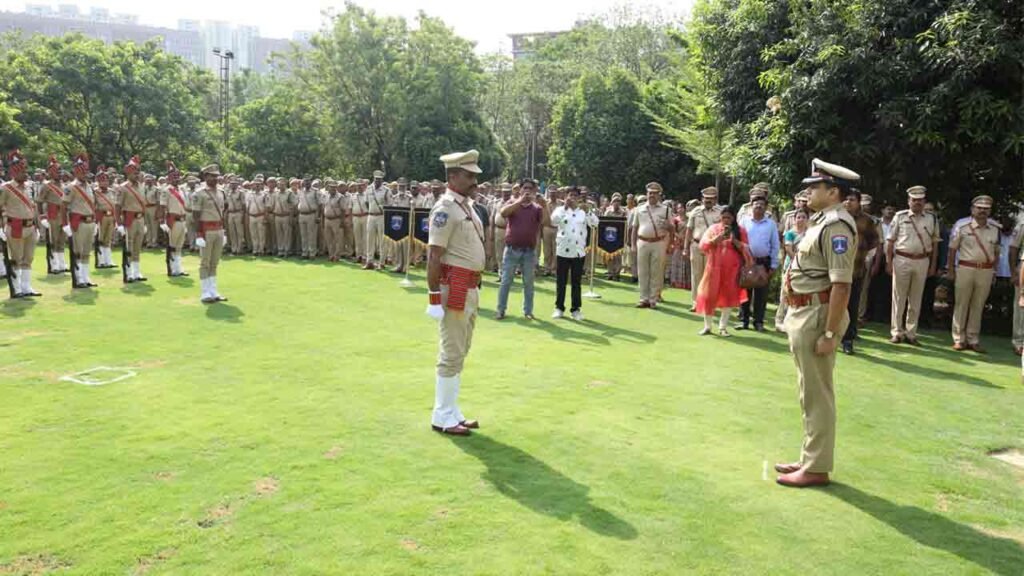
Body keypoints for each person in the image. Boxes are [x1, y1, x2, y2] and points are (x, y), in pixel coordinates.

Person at [775, 158, 859, 489]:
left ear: (833, 191)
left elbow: (842, 284)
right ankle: (810, 457)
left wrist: (829, 332)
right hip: (804, 312)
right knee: (808, 391)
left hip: (817, 315)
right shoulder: (822, 220)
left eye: (815, 187)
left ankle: (817, 467)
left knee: (817, 393)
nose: (808, 192)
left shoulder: (837, 225)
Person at [425, 149, 486, 437]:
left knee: (462, 350)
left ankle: (452, 409)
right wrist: (434, 296)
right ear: (453, 176)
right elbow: (434, 255)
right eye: (469, 175)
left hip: (471, 285)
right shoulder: (445, 208)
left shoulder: (466, 206)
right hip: (456, 286)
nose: (475, 180)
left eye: (475, 175)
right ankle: (442, 415)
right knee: (451, 351)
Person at [886, 186, 939, 345]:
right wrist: (889, 262)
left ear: (924, 201)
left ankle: (911, 333)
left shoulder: (932, 219)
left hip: (922, 260)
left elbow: (935, 244)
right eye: (914, 200)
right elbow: (890, 241)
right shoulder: (900, 216)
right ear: (909, 201)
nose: (917, 203)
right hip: (902, 259)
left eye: (920, 200)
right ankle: (896, 332)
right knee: (899, 298)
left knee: (916, 299)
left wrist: (933, 265)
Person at [948, 195, 1000, 352]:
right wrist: (950, 269)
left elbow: (997, 252)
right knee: (961, 304)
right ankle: (959, 339)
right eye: (979, 208)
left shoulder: (995, 228)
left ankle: (973, 339)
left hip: (985, 270)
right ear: (972, 209)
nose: (982, 211)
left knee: (978, 305)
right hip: (965, 268)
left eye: (986, 209)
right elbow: (952, 249)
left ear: (990, 211)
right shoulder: (962, 226)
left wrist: (994, 271)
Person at [695, 206, 751, 336]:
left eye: (729, 218)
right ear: (720, 217)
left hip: (733, 268)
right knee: (709, 294)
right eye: (724, 217)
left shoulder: (740, 230)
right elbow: (703, 245)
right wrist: (716, 239)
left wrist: (735, 240)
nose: (726, 220)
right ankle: (707, 326)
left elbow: (746, 248)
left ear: (733, 218)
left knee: (728, 295)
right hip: (714, 266)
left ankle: (723, 327)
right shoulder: (713, 229)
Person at [495, 178, 545, 320]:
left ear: (534, 191)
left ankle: (528, 311)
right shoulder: (512, 203)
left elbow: (546, 222)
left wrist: (544, 205)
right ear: (520, 190)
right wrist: (519, 201)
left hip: (529, 251)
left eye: (530, 188)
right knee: (506, 281)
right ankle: (501, 310)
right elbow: (503, 213)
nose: (527, 191)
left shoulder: (537, 208)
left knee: (528, 283)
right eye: (525, 188)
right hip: (511, 249)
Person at [839, 190, 880, 354]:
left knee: (852, 305)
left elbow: (874, 241)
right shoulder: (837, 217)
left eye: (852, 200)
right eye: (846, 199)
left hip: (856, 269)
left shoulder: (867, 221)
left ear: (859, 202)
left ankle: (848, 340)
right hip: (836, 268)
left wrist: (859, 251)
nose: (848, 202)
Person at [549, 187, 598, 320]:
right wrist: (565, 207)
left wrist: (588, 212)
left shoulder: (584, 211)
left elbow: (595, 223)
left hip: (578, 251)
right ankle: (559, 307)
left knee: (576, 282)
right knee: (561, 281)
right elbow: (553, 221)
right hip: (563, 250)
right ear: (565, 196)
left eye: (575, 196)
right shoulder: (560, 210)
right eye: (570, 195)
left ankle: (575, 309)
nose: (572, 198)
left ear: (579, 198)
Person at [0, 149, 42, 298]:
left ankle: (26, 287)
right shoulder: (5, 188)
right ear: (14, 172)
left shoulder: (29, 187)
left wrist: (37, 226)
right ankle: (16, 288)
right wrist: (0, 229)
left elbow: (33, 207)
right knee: (16, 259)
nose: (26, 173)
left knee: (28, 258)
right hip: (15, 226)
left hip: (30, 226)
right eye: (22, 171)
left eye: (26, 170)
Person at [737, 197, 779, 331]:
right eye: (756, 204)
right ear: (751, 206)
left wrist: (773, 265)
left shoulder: (771, 224)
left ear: (766, 208)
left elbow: (775, 245)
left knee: (761, 293)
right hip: (746, 260)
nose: (758, 206)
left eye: (762, 204)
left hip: (763, 262)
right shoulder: (744, 221)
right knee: (745, 291)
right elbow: (737, 241)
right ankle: (744, 320)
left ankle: (758, 322)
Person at [632, 182, 674, 308]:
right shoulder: (639, 209)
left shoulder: (666, 210)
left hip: (659, 242)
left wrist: (670, 242)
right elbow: (634, 227)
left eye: (655, 194)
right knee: (642, 271)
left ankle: (653, 298)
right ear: (647, 194)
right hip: (643, 241)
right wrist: (633, 245)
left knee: (657, 271)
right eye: (650, 193)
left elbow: (672, 228)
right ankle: (643, 298)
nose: (652, 196)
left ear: (659, 195)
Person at [63, 153, 98, 289]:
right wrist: (66, 224)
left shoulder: (90, 186)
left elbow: (93, 205)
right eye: (81, 171)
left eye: (85, 171)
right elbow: (63, 206)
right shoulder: (70, 187)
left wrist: (95, 222)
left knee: (86, 252)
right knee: (77, 251)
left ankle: (85, 277)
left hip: (90, 222)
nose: (84, 174)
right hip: (79, 223)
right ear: (76, 172)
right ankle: (78, 278)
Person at [193, 164, 228, 303]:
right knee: (205, 262)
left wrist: (223, 231)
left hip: (218, 229)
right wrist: (199, 234)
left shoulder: (221, 192)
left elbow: (222, 213)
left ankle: (213, 290)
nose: (215, 178)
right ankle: (205, 292)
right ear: (205, 176)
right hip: (206, 230)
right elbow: (196, 215)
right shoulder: (200, 193)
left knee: (215, 262)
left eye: (216, 176)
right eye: (212, 176)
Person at [684, 187, 722, 310]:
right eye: (706, 199)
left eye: (711, 199)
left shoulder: (721, 212)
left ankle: (709, 302)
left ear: (715, 199)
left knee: (711, 276)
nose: (708, 201)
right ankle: (696, 302)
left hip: (713, 247)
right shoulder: (696, 211)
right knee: (696, 275)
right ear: (702, 199)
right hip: (696, 244)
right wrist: (685, 248)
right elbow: (689, 230)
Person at [116, 156, 148, 282]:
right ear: (128, 173)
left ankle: (136, 272)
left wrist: (144, 221)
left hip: (140, 219)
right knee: (128, 246)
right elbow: (117, 206)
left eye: (138, 172)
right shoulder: (123, 187)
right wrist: (119, 224)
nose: (137, 175)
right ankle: (128, 272)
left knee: (137, 247)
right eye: (134, 173)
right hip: (129, 219)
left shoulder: (141, 186)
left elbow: (143, 204)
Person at [37, 155, 69, 274]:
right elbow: (39, 202)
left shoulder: (65, 186)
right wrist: (42, 217)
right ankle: (53, 264)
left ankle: (62, 263)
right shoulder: (46, 186)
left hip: (63, 215)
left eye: (60, 171)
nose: (60, 174)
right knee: (53, 240)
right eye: (57, 172)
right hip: (52, 215)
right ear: (51, 173)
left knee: (61, 240)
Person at [158, 162, 189, 277]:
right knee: (172, 246)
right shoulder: (167, 190)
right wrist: (162, 221)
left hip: (182, 220)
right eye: (174, 177)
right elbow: (162, 206)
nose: (177, 179)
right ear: (169, 179)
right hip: (173, 220)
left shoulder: (181, 190)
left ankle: (179, 268)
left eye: (177, 177)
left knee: (179, 246)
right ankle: (172, 269)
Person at [364, 170, 389, 269]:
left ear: (382, 180)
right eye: (376, 179)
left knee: (382, 240)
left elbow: (389, 204)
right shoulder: (369, 189)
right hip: (371, 215)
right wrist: (371, 210)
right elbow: (366, 202)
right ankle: (369, 261)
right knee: (370, 239)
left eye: (379, 179)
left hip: (381, 216)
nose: (377, 181)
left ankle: (381, 262)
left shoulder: (386, 190)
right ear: (373, 179)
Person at [93, 169, 117, 269]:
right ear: (98, 181)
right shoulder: (95, 192)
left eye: (106, 180)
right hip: (101, 216)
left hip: (111, 216)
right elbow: (93, 206)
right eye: (102, 180)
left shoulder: (112, 191)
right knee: (100, 239)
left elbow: (114, 205)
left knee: (108, 239)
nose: (105, 182)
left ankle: (108, 260)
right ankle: (100, 261)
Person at [602, 193, 628, 280]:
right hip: (609, 237)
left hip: (619, 238)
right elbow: (604, 224)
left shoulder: (624, 212)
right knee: (609, 255)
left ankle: (616, 274)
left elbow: (626, 225)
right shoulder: (608, 212)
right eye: (615, 201)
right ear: (612, 202)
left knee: (618, 257)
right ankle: (610, 273)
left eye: (618, 201)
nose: (617, 203)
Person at [297, 178, 321, 259]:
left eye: (308, 182)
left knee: (312, 235)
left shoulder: (315, 191)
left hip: (311, 214)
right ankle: (304, 252)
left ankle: (312, 253)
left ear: (310, 183)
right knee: (303, 235)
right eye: (305, 182)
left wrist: (318, 216)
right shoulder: (300, 191)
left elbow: (320, 204)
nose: (306, 183)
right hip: (301, 214)